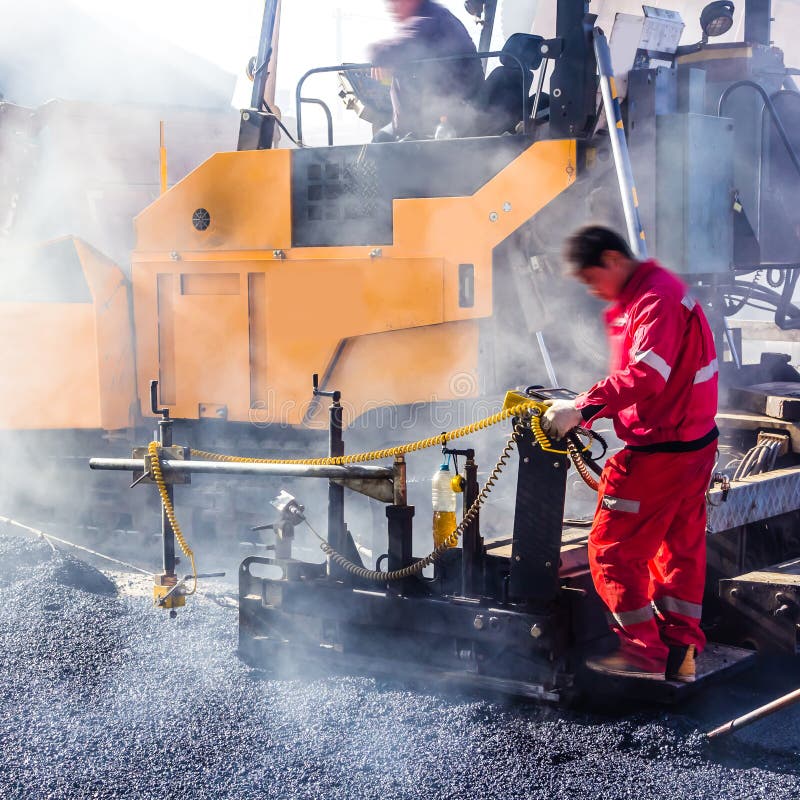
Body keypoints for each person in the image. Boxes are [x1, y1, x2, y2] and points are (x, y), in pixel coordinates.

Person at [543, 225, 719, 682]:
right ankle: (680, 654)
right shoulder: (655, 294)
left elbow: (646, 375)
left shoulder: (654, 300)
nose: (592, 291)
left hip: (660, 452)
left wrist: (581, 409)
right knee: (676, 553)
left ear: (612, 260)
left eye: (591, 279)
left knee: (612, 553)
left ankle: (644, 656)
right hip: (692, 446)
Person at [368, 0, 484, 140]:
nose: (392, 9)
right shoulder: (430, 17)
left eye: (396, 2)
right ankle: (404, 137)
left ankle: (407, 138)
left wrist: (378, 54)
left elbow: (400, 46)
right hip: (434, 113)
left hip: (457, 111)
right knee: (379, 140)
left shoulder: (433, 18)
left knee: (381, 143)